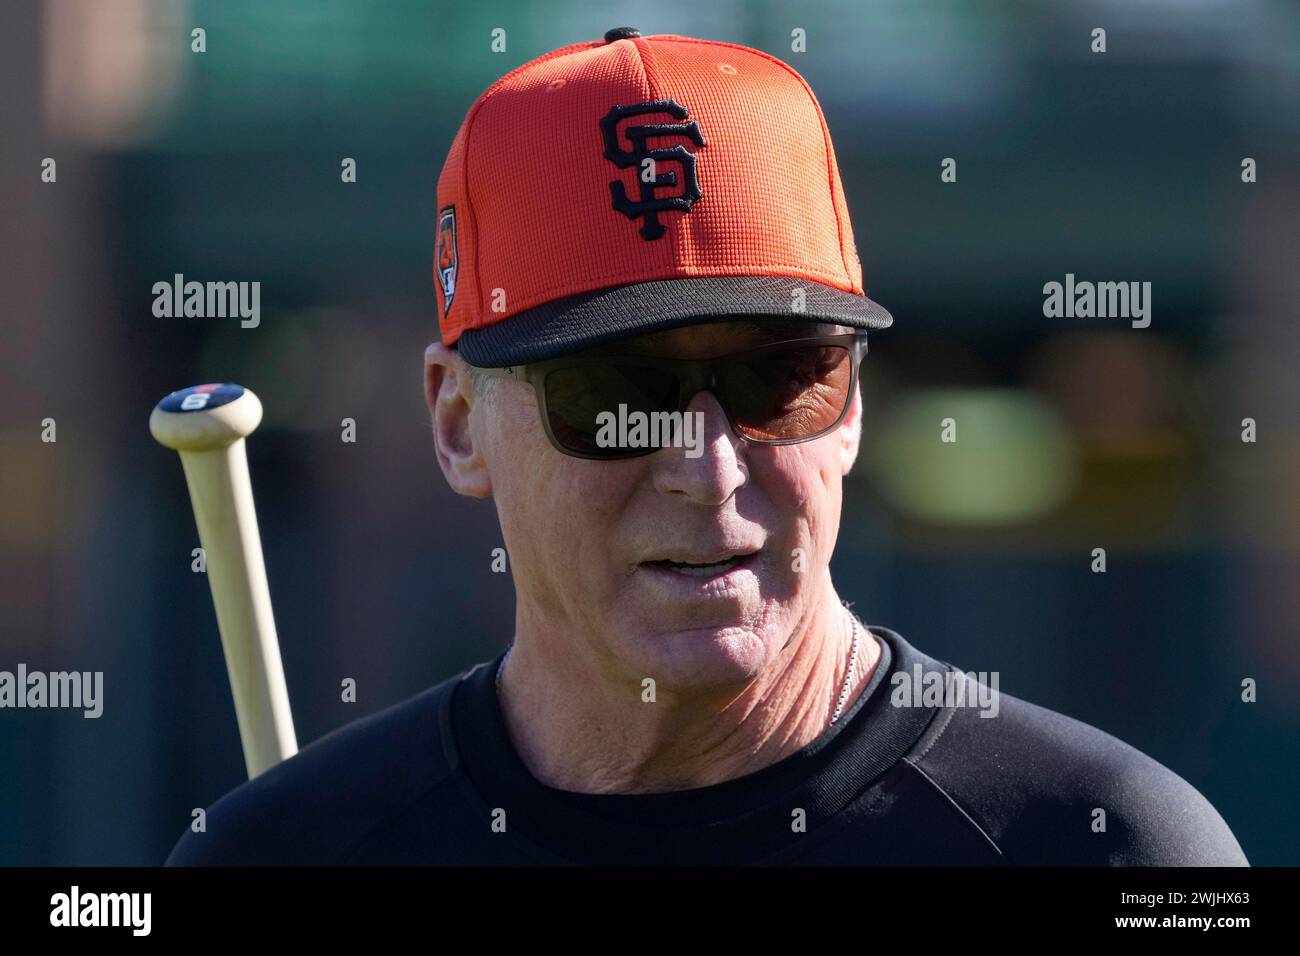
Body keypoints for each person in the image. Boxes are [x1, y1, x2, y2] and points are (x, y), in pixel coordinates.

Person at [166, 28, 1247, 866]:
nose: (707, 465)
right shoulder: (284, 855)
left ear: (855, 401)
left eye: (778, 377)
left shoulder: (1113, 849)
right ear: (456, 423)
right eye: (613, 390)